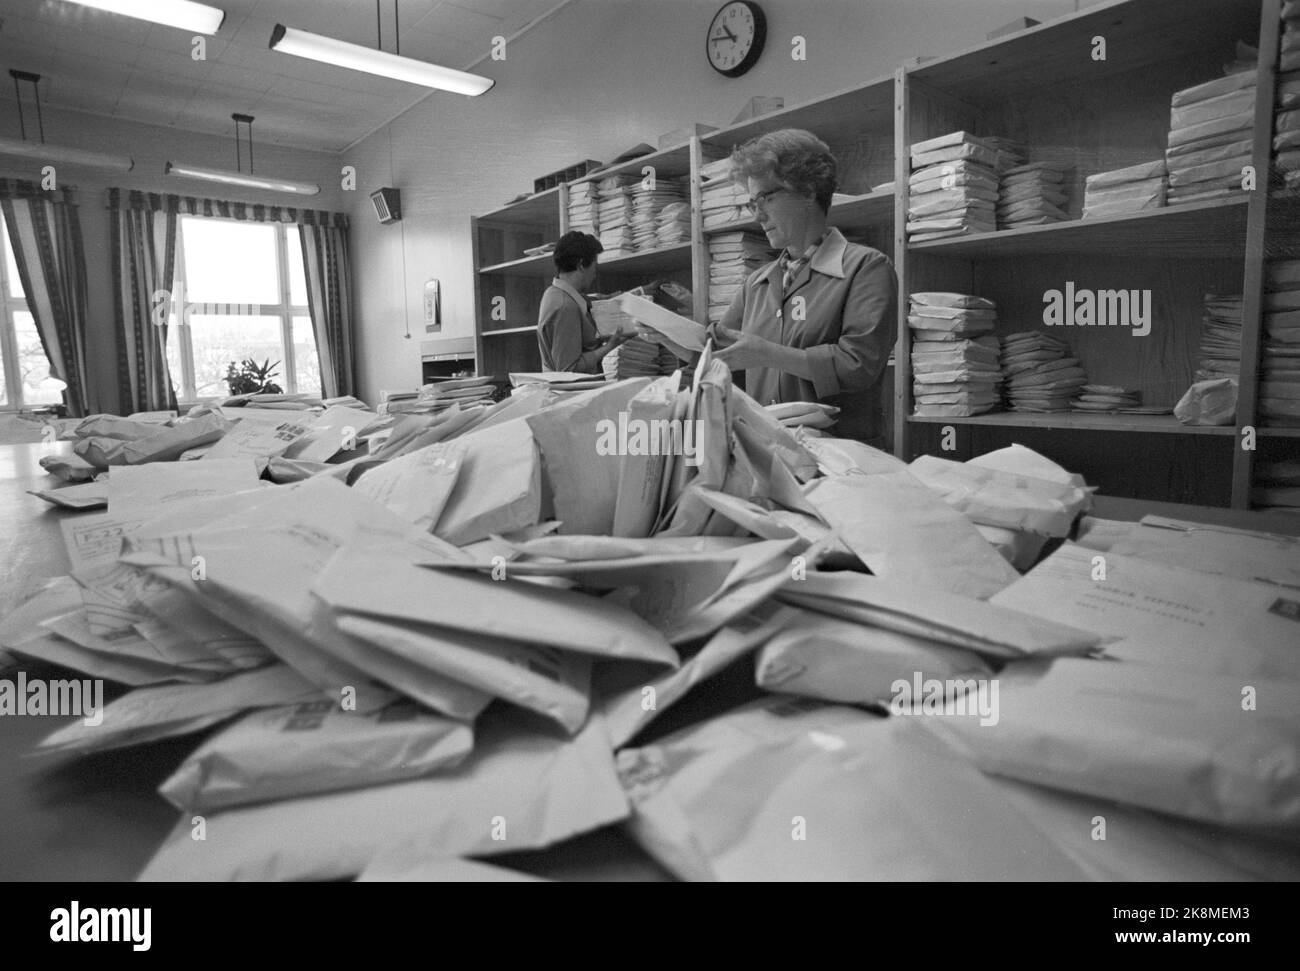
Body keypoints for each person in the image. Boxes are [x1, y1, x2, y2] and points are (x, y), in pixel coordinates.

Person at [710, 128, 897, 442]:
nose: (757, 214)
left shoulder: (866, 267)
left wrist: (769, 354)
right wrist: (678, 340)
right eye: (751, 203)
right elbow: (722, 354)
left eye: (766, 198)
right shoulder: (757, 281)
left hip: (841, 460)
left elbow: (858, 366)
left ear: (809, 190)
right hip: (766, 453)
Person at [537, 231, 635, 373]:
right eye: (594, 266)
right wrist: (609, 346)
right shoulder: (566, 307)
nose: (595, 274)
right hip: (574, 392)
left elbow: (587, 302)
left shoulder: (553, 293)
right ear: (581, 264)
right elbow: (568, 369)